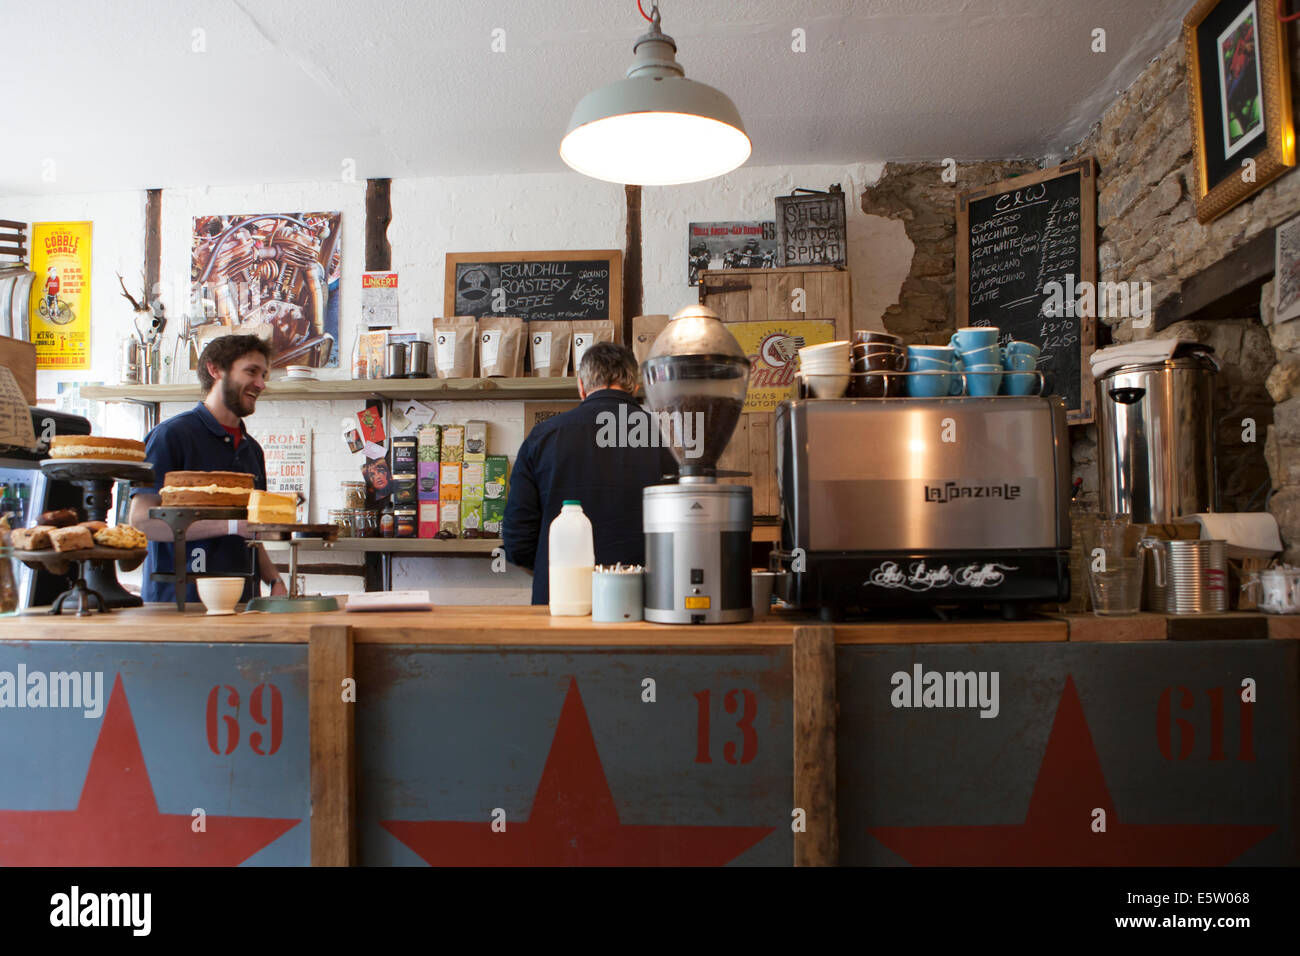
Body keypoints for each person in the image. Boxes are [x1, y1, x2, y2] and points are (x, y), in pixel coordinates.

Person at [504, 342, 675, 605]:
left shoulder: (543, 436)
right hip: (646, 600)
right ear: (636, 388)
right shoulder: (668, 437)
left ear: (581, 387)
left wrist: (556, 570)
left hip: (562, 601)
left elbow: (518, 540)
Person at [130, 333, 287, 603]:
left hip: (243, 604)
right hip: (178, 607)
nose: (261, 384)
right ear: (215, 369)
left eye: (264, 375)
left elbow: (250, 531)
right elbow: (142, 523)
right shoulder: (170, 436)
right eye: (251, 372)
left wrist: (273, 579)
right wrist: (229, 526)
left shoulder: (252, 450)